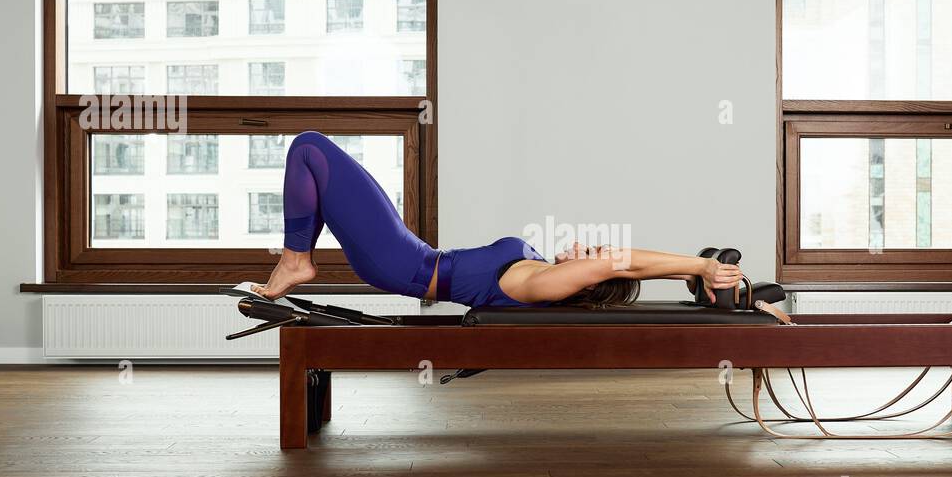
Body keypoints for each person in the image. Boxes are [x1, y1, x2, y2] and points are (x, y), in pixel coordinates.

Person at [252, 131, 743, 308]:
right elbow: (625, 269)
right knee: (316, 158)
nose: (585, 247)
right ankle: (297, 258)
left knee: (310, 148)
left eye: (589, 257)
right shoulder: (540, 273)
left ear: (585, 281)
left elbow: (619, 264)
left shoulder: (545, 284)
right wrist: (691, 271)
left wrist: (699, 269)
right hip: (412, 254)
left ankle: (296, 261)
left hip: (402, 263)